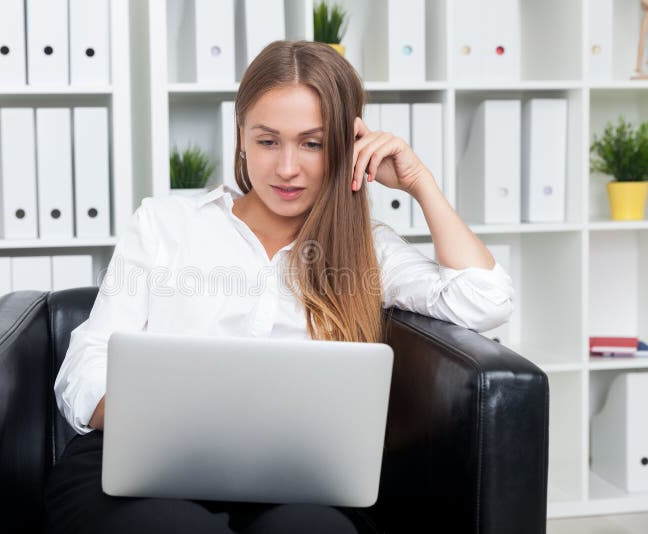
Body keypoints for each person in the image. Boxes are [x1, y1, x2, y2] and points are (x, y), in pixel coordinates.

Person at [45, 40, 514, 534]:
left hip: (299, 483)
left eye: (312, 143)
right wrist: (153, 421)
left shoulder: (368, 248)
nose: (287, 168)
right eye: (268, 141)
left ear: (346, 144)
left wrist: (420, 183)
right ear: (241, 138)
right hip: (146, 467)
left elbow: (485, 300)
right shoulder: (165, 224)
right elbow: (86, 360)